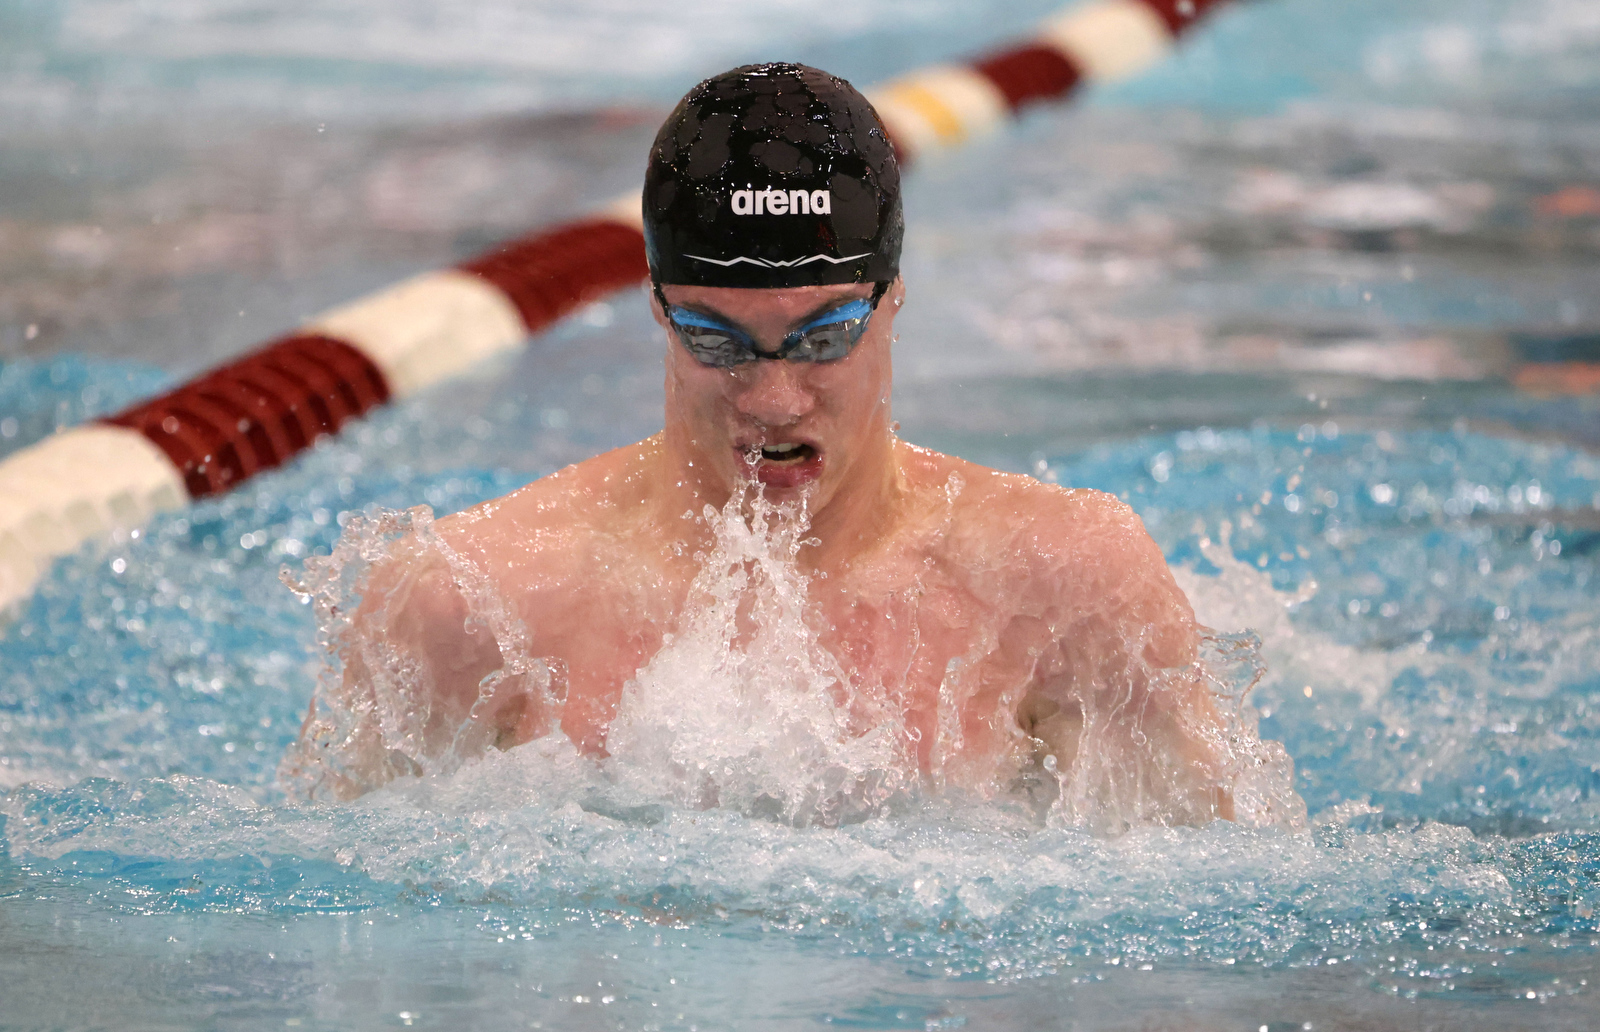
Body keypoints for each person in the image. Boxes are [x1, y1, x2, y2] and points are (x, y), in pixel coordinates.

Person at [286, 63, 1252, 826]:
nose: (775, 400)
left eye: (823, 339)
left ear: (893, 300)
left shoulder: (1063, 587)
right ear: (657, 310)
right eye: (718, 343)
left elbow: (1204, 932)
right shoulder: (473, 607)